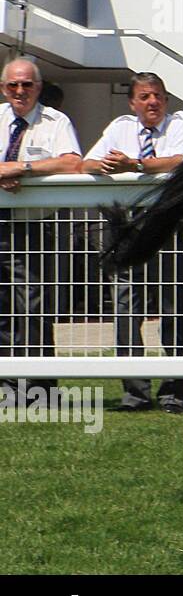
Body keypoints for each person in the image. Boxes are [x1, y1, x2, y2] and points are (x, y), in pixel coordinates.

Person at [81, 72, 183, 414]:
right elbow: (86, 161)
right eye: (145, 97)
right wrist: (105, 165)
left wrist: (133, 164)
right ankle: (135, 393)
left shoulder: (181, 123)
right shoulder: (119, 128)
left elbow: (181, 161)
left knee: (175, 313)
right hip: (126, 230)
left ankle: (174, 393)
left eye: (158, 95)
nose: (153, 102)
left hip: (167, 227)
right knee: (125, 311)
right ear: (133, 102)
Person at [0, 58, 82, 404]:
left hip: (34, 228)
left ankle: (39, 389)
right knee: (2, 310)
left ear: (39, 86)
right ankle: (6, 386)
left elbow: (72, 162)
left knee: (32, 309)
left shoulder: (55, 121)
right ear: (4, 88)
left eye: (27, 85)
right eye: (13, 85)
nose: (20, 91)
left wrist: (24, 167)